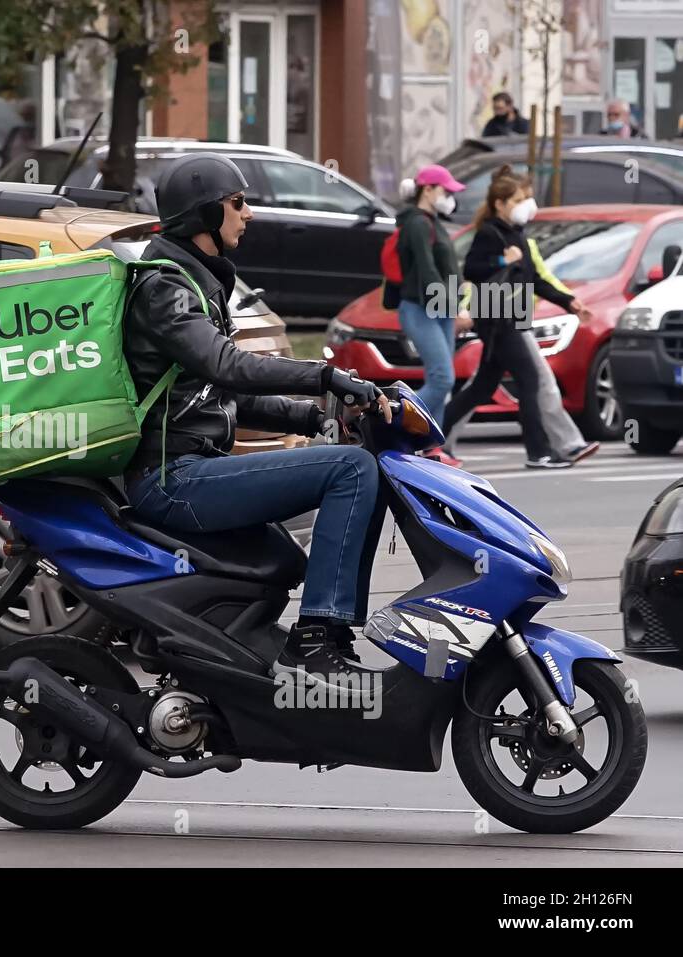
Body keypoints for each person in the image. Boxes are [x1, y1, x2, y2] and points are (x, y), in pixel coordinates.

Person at [122, 152, 391, 688]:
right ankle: (318, 638)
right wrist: (326, 376)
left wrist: (313, 418)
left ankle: (275, 652)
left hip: (192, 467)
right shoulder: (166, 287)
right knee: (352, 471)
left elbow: (215, 394)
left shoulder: (198, 279)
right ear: (204, 216)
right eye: (238, 203)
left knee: (287, 561)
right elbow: (225, 366)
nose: (249, 214)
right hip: (172, 478)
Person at [443, 175, 599, 464]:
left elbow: (535, 279)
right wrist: (503, 261)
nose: (524, 206)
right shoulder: (490, 233)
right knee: (531, 380)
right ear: (499, 204)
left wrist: (568, 302)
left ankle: (436, 437)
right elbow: (474, 270)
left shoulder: (517, 235)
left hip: (512, 317)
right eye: (517, 200)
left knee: (483, 386)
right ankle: (538, 451)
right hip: (497, 319)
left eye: (523, 200)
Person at [394, 165, 472, 442]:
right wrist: (456, 308)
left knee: (440, 380)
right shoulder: (416, 223)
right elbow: (428, 271)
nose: (450, 196)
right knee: (442, 379)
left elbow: (447, 268)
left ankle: (431, 449)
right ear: (427, 189)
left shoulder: (432, 220)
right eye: (446, 190)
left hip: (439, 308)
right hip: (421, 308)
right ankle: (391, 420)